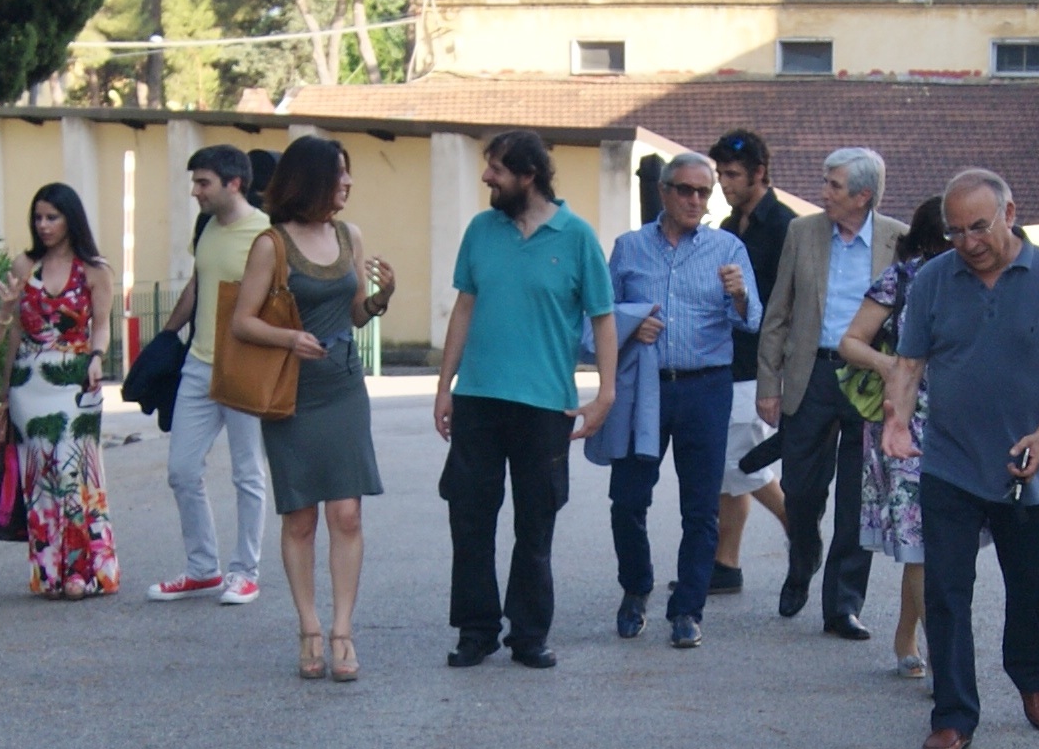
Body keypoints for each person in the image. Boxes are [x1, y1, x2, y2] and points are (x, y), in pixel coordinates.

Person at [883, 173, 1039, 749]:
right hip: (949, 463)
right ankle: (954, 714)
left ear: (1010, 212)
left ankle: (1031, 675)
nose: (968, 242)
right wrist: (896, 420)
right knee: (946, 592)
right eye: (955, 231)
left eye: (979, 227)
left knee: (1035, 587)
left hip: (1028, 466)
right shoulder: (934, 279)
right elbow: (908, 363)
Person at [434, 128, 618, 669]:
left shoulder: (577, 236)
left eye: (496, 169)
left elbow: (603, 319)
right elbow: (464, 307)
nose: (486, 177)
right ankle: (476, 631)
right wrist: (444, 385)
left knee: (535, 524)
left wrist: (605, 393)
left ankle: (529, 633)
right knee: (469, 519)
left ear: (528, 175)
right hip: (478, 399)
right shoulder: (480, 230)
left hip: (545, 406)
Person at [232, 137, 395, 682]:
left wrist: (380, 299)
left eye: (349, 173)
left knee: (346, 513)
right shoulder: (271, 245)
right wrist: (288, 338)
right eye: (339, 173)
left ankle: (343, 630)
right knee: (300, 517)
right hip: (291, 392)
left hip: (344, 386)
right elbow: (242, 321)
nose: (347, 182)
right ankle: (309, 627)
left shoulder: (350, 236)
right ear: (311, 180)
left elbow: (354, 313)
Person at [601, 151, 762, 650]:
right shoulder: (629, 248)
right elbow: (601, 319)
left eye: (703, 192)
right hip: (644, 386)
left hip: (705, 387)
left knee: (701, 506)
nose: (695, 200)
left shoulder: (727, 248)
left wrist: (739, 295)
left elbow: (752, 320)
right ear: (665, 192)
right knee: (628, 498)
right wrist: (631, 329)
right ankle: (636, 588)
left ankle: (688, 609)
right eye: (686, 190)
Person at [756, 147, 906, 638]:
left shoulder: (897, 240)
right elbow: (778, 312)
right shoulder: (802, 233)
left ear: (863, 196)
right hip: (812, 375)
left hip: (867, 381)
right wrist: (769, 384)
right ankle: (803, 559)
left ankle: (842, 605)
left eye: (833, 185)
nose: (823, 193)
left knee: (857, 499)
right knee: (800, 491)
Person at [151, 145, 274, 605]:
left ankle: (245, 572)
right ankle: (202, 568)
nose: (195, 191)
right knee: (182, 470)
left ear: (233, 183)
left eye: (203, 182)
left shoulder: (266, 233)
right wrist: (167, 337)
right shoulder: (205, 227)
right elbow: (198, 282)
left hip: (245, 365)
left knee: (247, 472)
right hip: (199, 363)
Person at [838, 196, 951, 679]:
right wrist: (891, 365)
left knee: (933, 545)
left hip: (961, 427)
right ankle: (945, 659)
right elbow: (850, 341)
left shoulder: (984, 281)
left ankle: (907, 634)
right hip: (904, 426)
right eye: (954, 232)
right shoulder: (902, 279)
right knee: (922, 541)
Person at [0, 185, 119, 600]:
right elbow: (15, 330)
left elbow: (102, 324)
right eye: (38, 217)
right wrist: (6, 385)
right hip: (28, 382)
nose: (43, 225)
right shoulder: (24, 264)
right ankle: (49, 571)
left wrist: (97, 357)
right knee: (38, 476)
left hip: (75, 378)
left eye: (52, 217)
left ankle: (83, 570)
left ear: (71, 219)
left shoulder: (94, 270)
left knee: (73, 471)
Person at [708, 129, 795, 595]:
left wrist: (779, 373)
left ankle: (801, 532)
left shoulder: (785, 227)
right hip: (728, 359)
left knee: (743, 464)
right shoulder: (728, 227)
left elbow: (793, 303)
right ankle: (726, 564)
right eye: (720, 173)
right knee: (729, 469)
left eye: (732, 174)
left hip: (758, 367)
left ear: (759, 173)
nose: (723, 183)